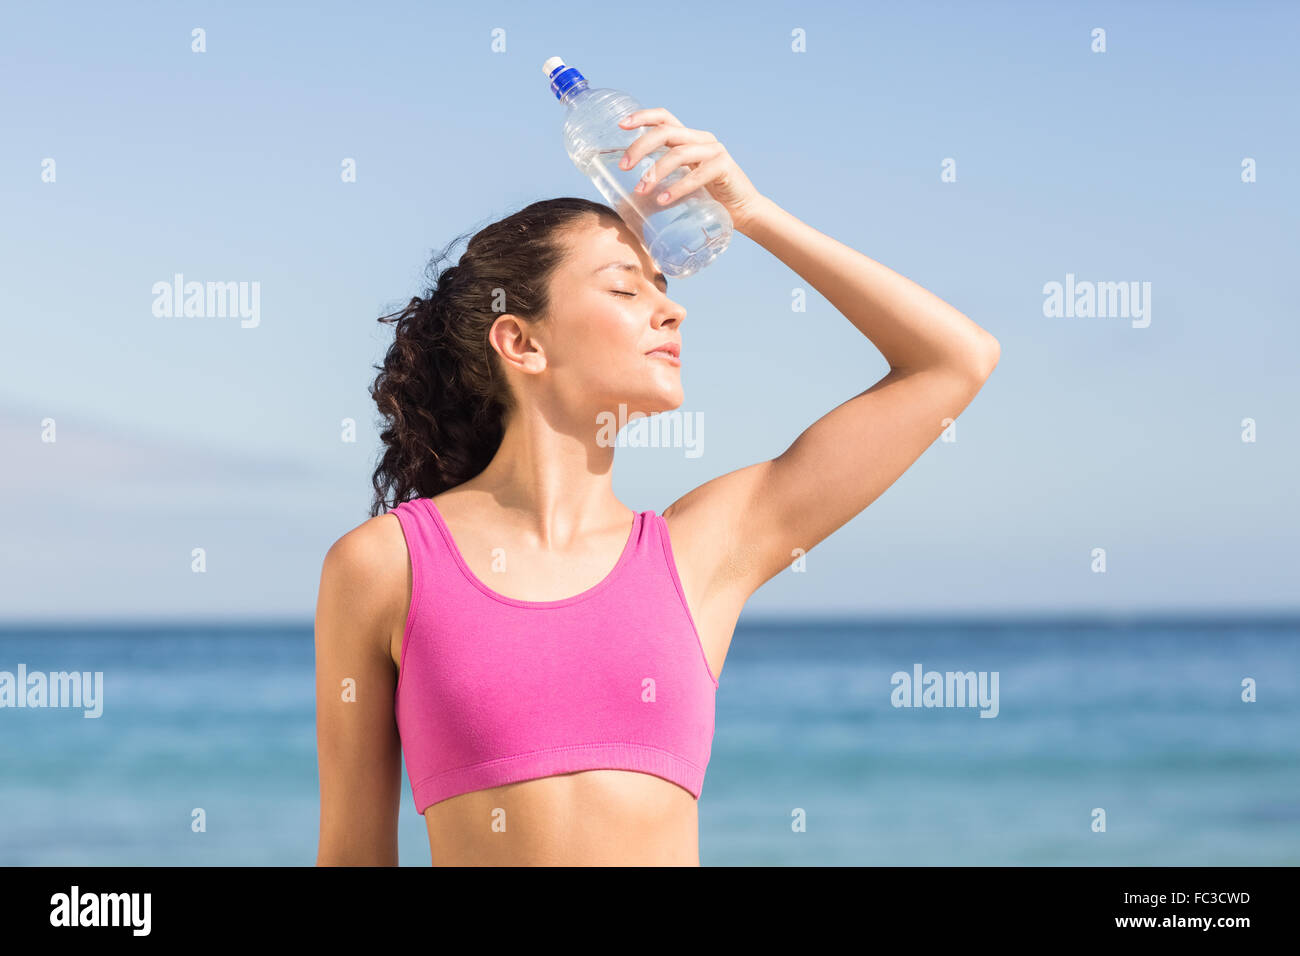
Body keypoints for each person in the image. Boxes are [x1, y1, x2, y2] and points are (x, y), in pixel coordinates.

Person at [314, 107, 1000, 866]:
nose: (671, 309)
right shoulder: (386, 567)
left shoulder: (701, 551)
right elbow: (352, 853)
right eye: (626, 290)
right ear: (521, 340)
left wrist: (752, 213)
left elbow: (954, 361)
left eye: (665, 286)